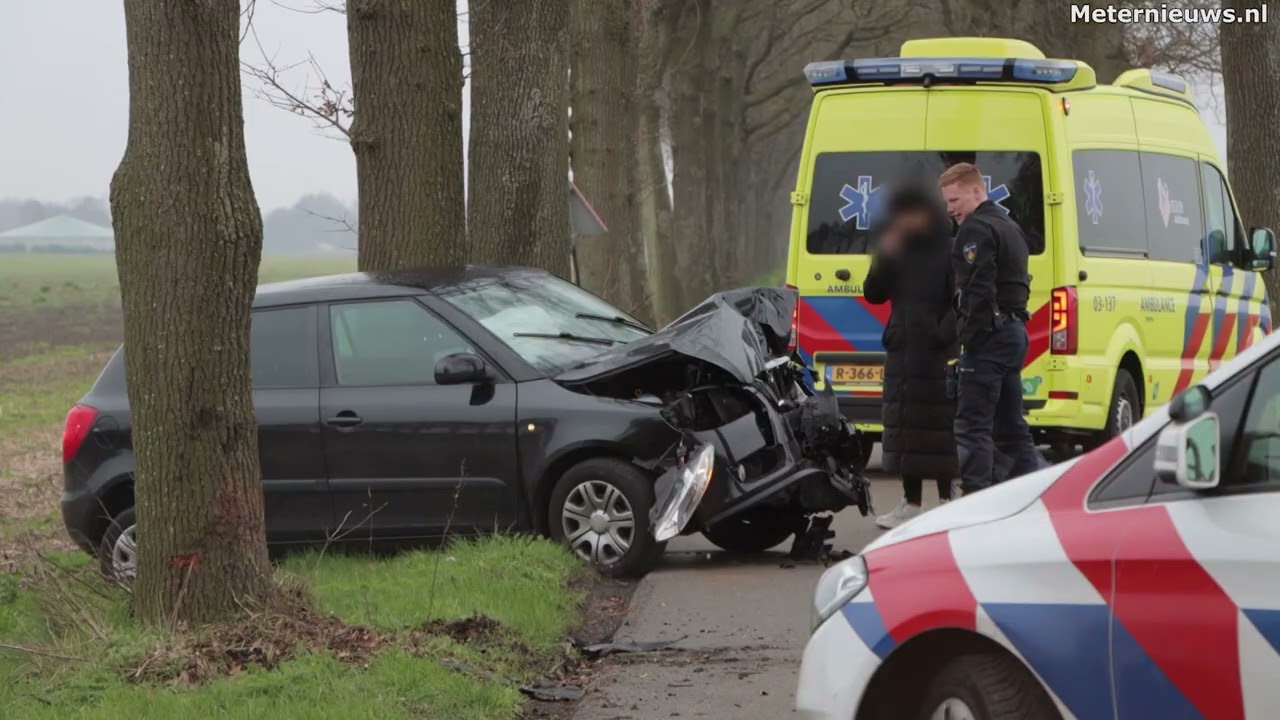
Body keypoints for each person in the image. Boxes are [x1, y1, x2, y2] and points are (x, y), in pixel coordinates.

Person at [939, 163, 1048, 494]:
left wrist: (967, 340)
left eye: (954, 200)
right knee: (1011, 426)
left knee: (973, 426)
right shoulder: (1010, 226)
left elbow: (978, 291)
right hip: (1014, 333)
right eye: (946, 202)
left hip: (990, 335)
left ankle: (975, 501)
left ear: (976, 191)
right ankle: (1038, 491)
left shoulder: (976, 230)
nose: (950, 209)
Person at [863, 184, 959, 528]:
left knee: (939, 426)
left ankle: (949, 498)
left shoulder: (950, 250)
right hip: (902, 350)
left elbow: (960, 302)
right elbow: (873, 294)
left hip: (936, 354)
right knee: (905, 425)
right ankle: (910, 502)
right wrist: (884, 256)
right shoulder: (898, 250)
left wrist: (941, 334)